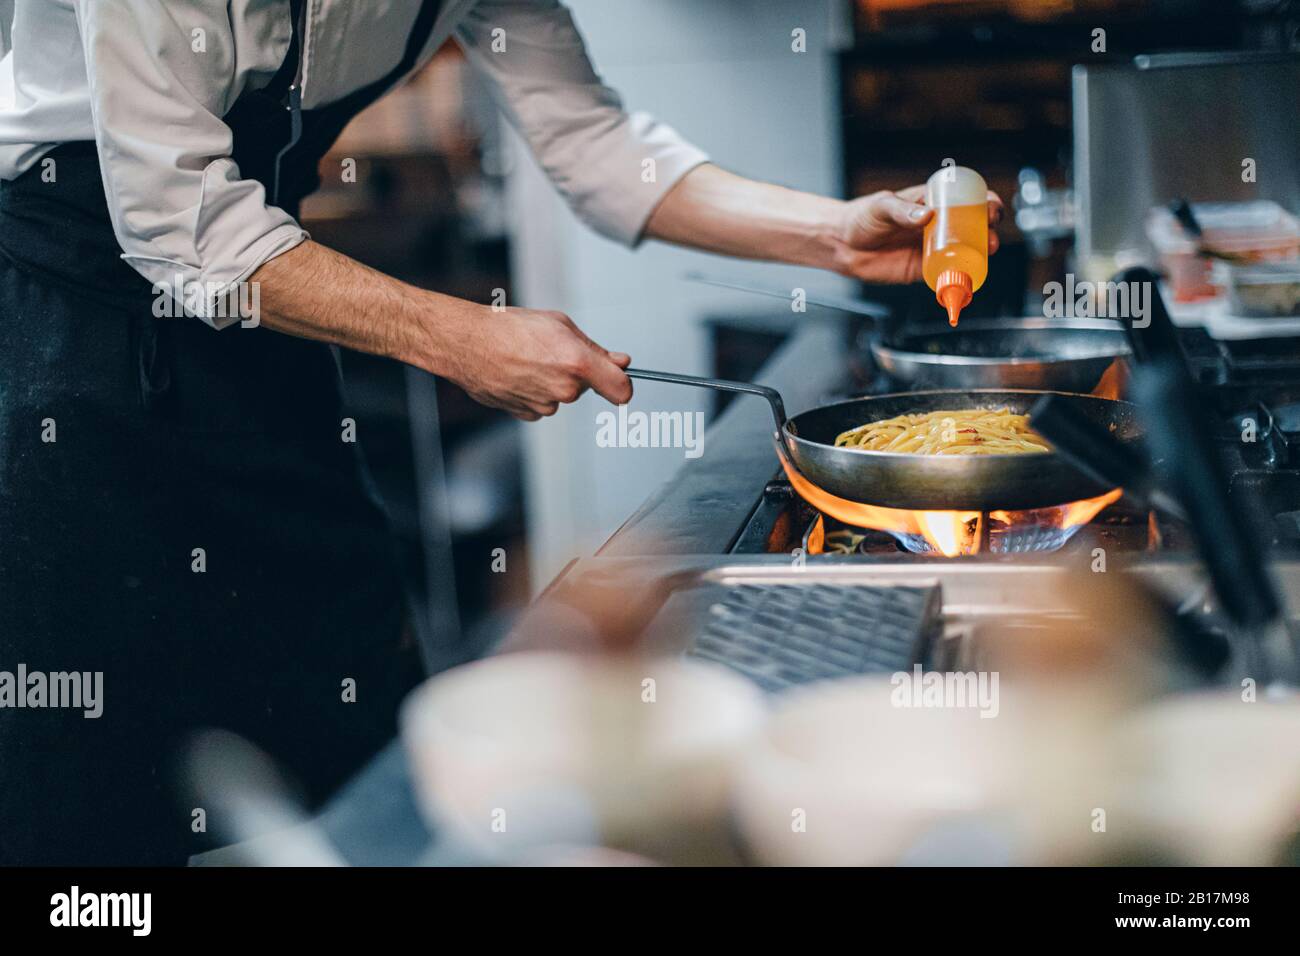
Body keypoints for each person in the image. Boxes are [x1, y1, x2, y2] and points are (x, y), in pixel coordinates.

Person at [0, 0, 1002, 864]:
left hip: (258, 319)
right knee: (91, 763)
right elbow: (178, 224)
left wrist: (831, 231)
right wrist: (461, 336)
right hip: (65, 330)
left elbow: (593, 143)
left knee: (349, 710)